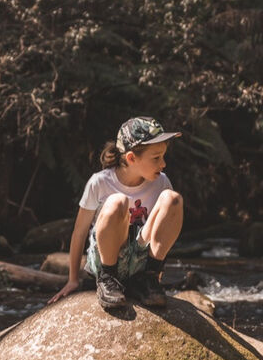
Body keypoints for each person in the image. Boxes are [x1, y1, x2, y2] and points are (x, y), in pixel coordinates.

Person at [48, 117, 184, 311]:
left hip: (140, 258)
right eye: (156, 158)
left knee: (173, 199)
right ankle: (108, 279)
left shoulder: (162, 182)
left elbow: (163, 228)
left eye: (163, 156)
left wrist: (156, 273)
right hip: (107, 257)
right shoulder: (100, 182)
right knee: (117, 201)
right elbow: (79, 232)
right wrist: (73, 280)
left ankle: (149, 279)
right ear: (131, 158)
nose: (163, 164)